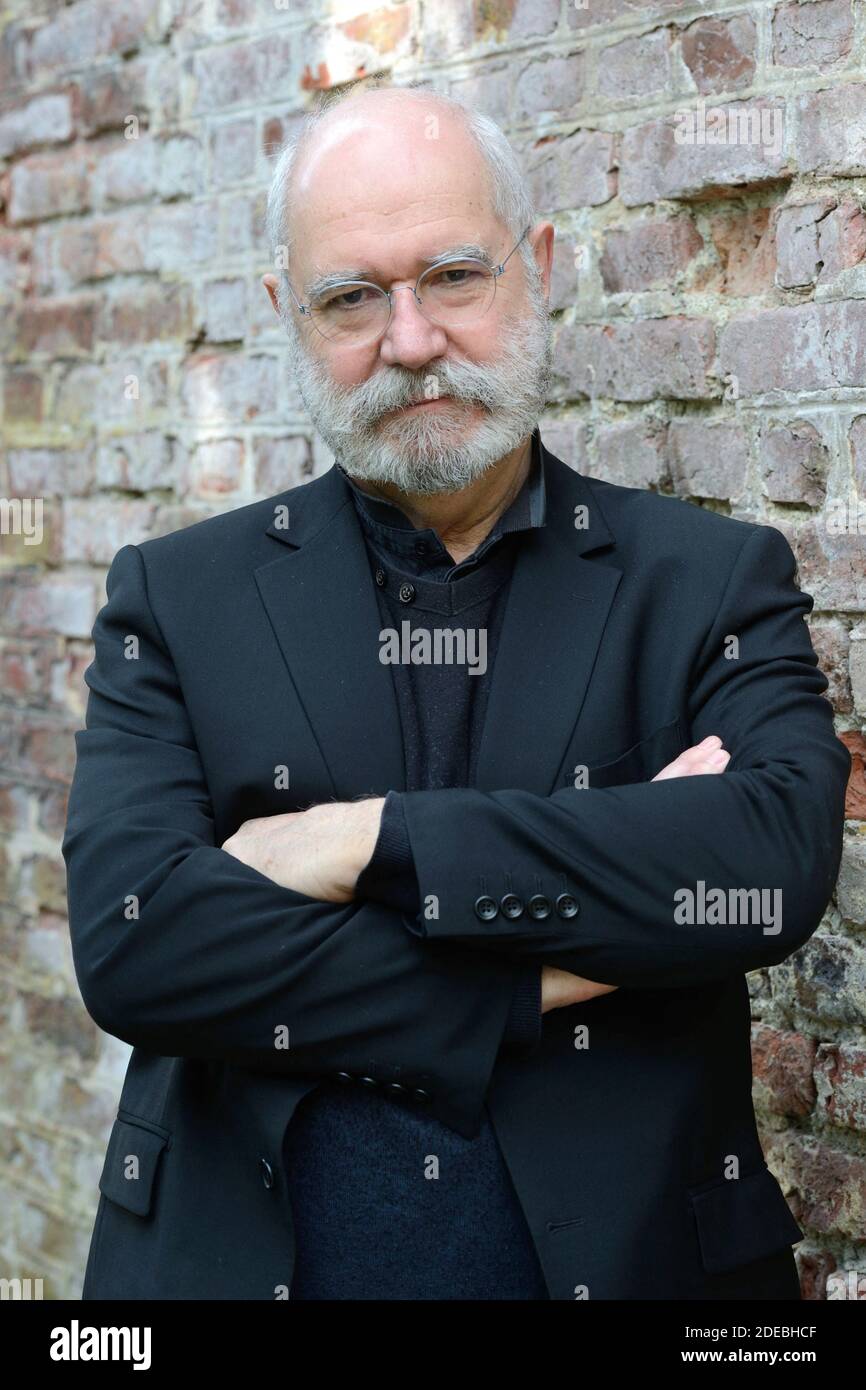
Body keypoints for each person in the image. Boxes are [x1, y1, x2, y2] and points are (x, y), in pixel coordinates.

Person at [63, 83, 850, 1301]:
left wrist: (359, 839)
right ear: (286, 313)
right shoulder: (176, 599)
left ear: (533, 266)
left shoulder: (702, 581)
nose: (411, 338)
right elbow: (138, 951)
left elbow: (767, 867)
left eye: (452, 276)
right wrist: (544, 966)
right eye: (351, 298)